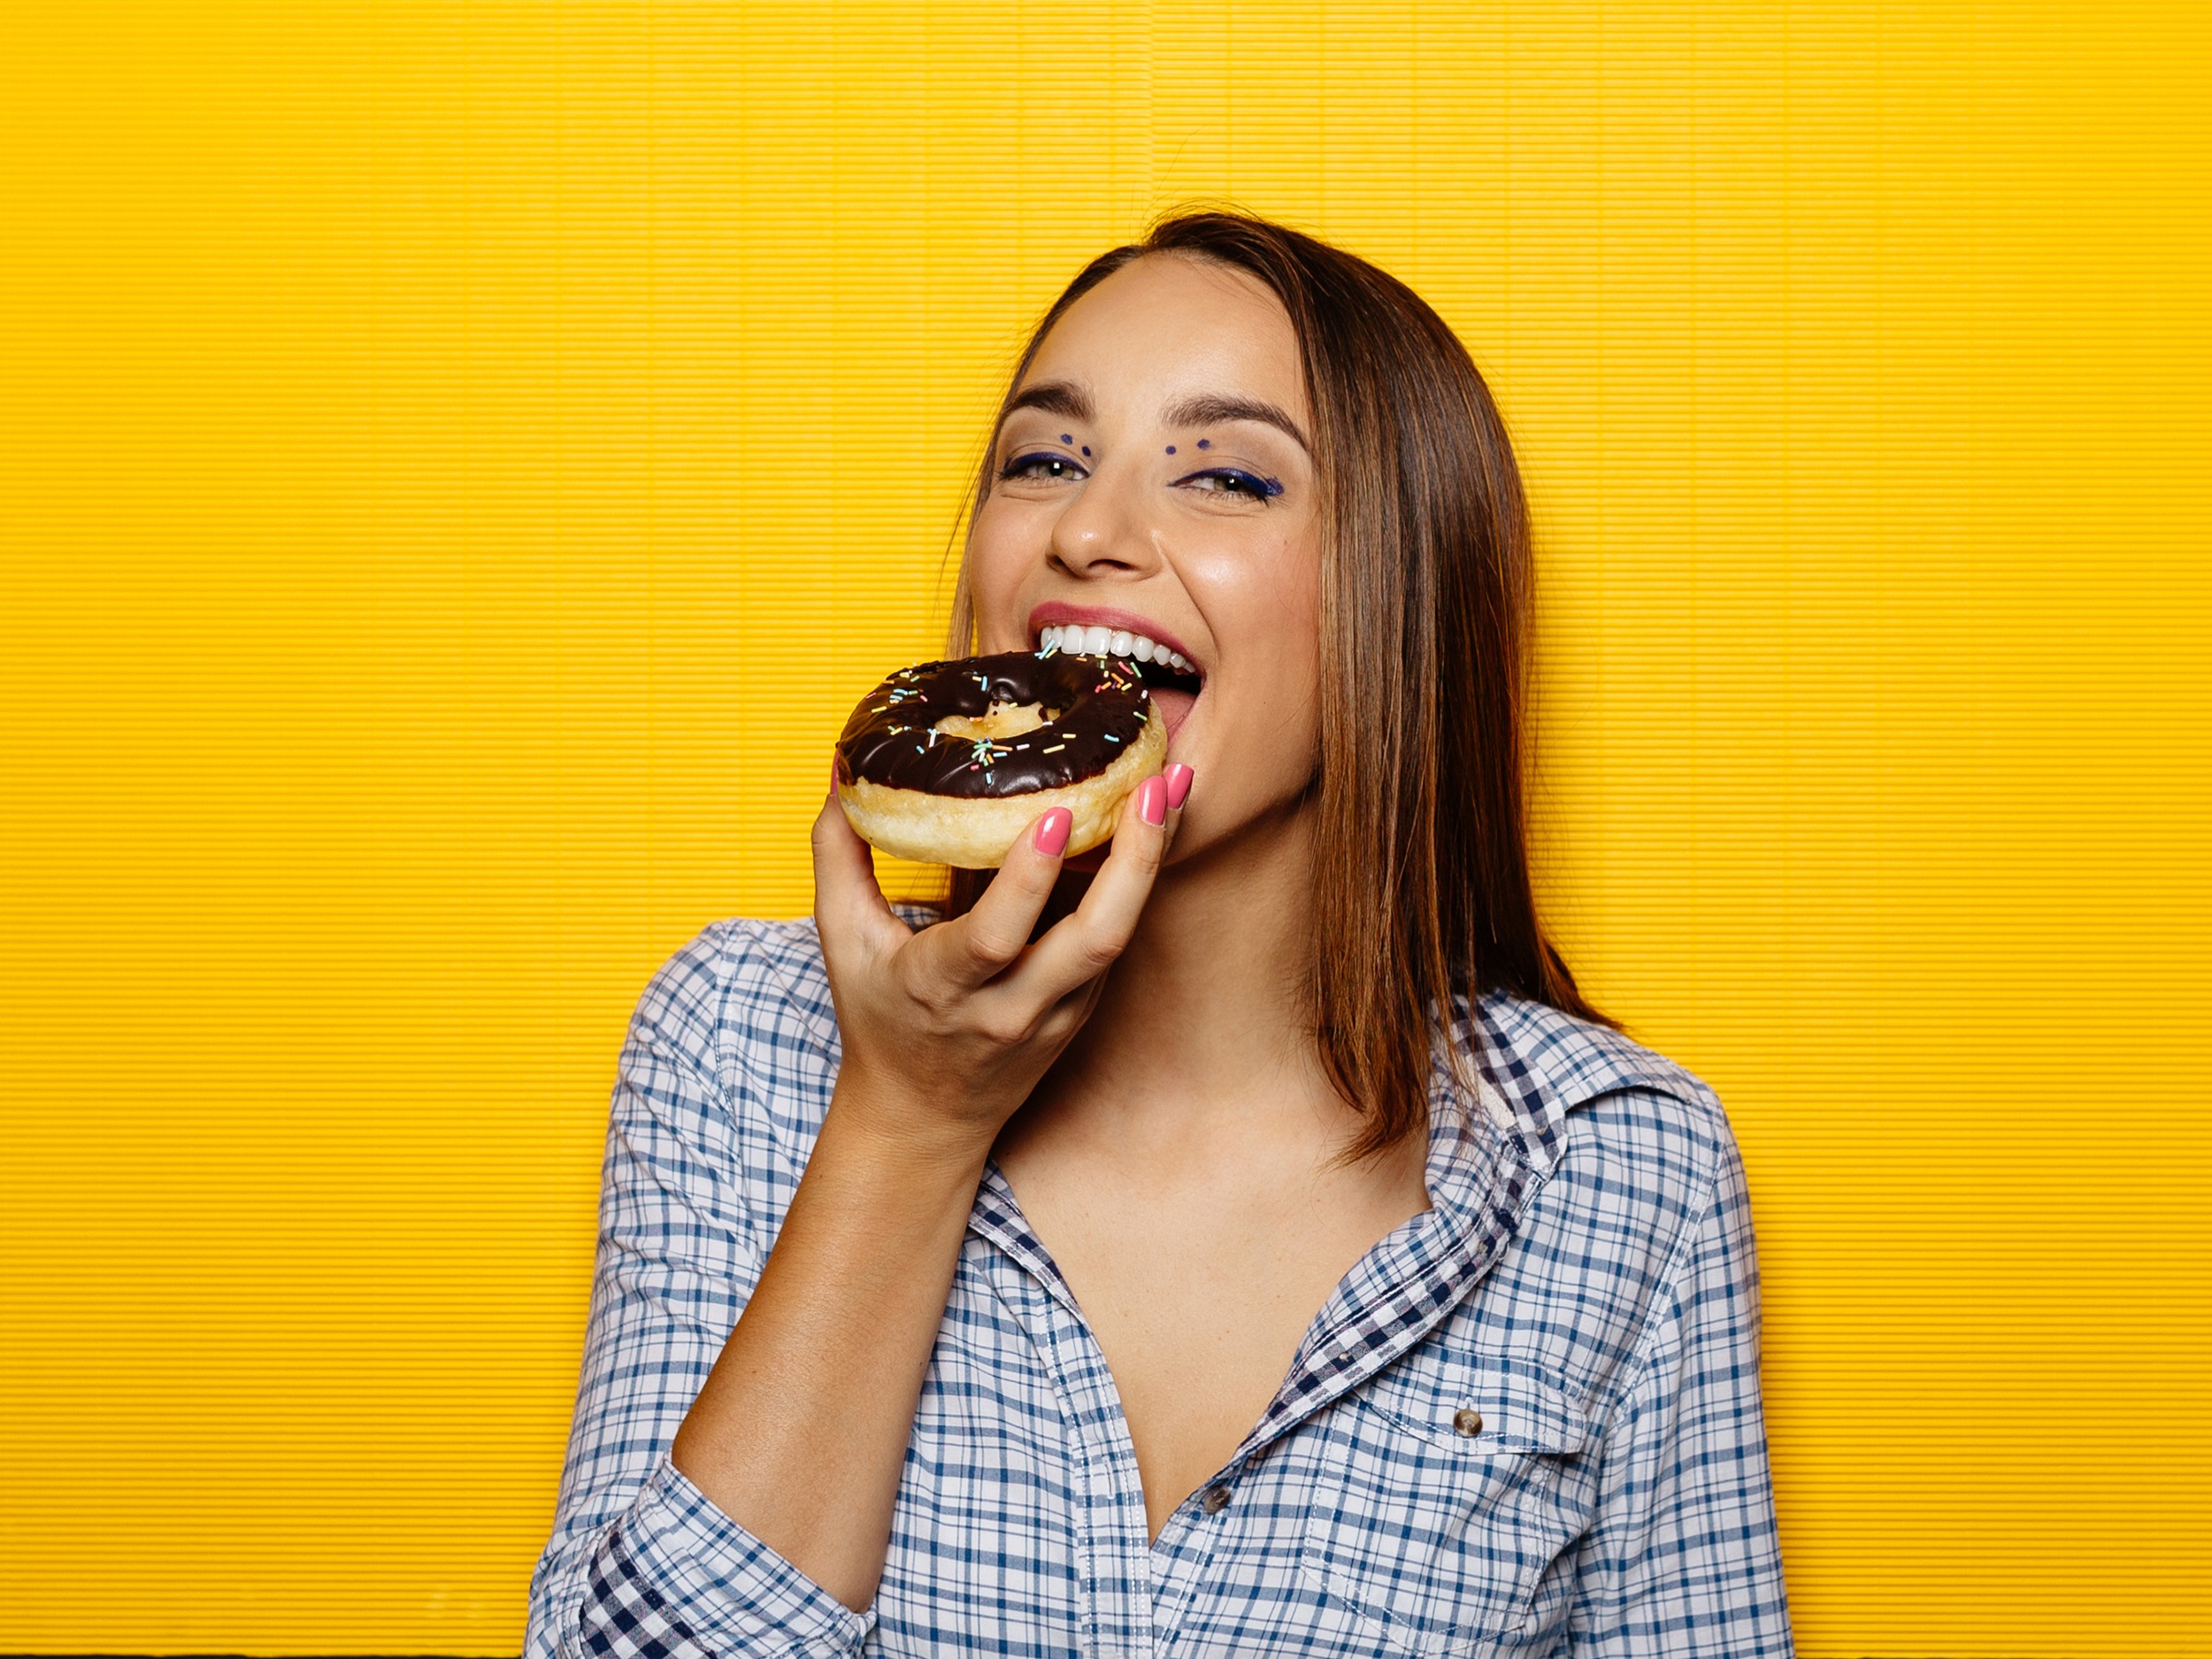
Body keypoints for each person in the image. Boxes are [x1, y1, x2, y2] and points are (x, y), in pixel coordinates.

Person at [526, 212, 1793, 1658]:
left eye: (1229, 476)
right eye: (1046, 460)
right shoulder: (738, 1051)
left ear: (1402, 600)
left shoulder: (1615, 1173)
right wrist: (909, 1122)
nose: (1086, 531)